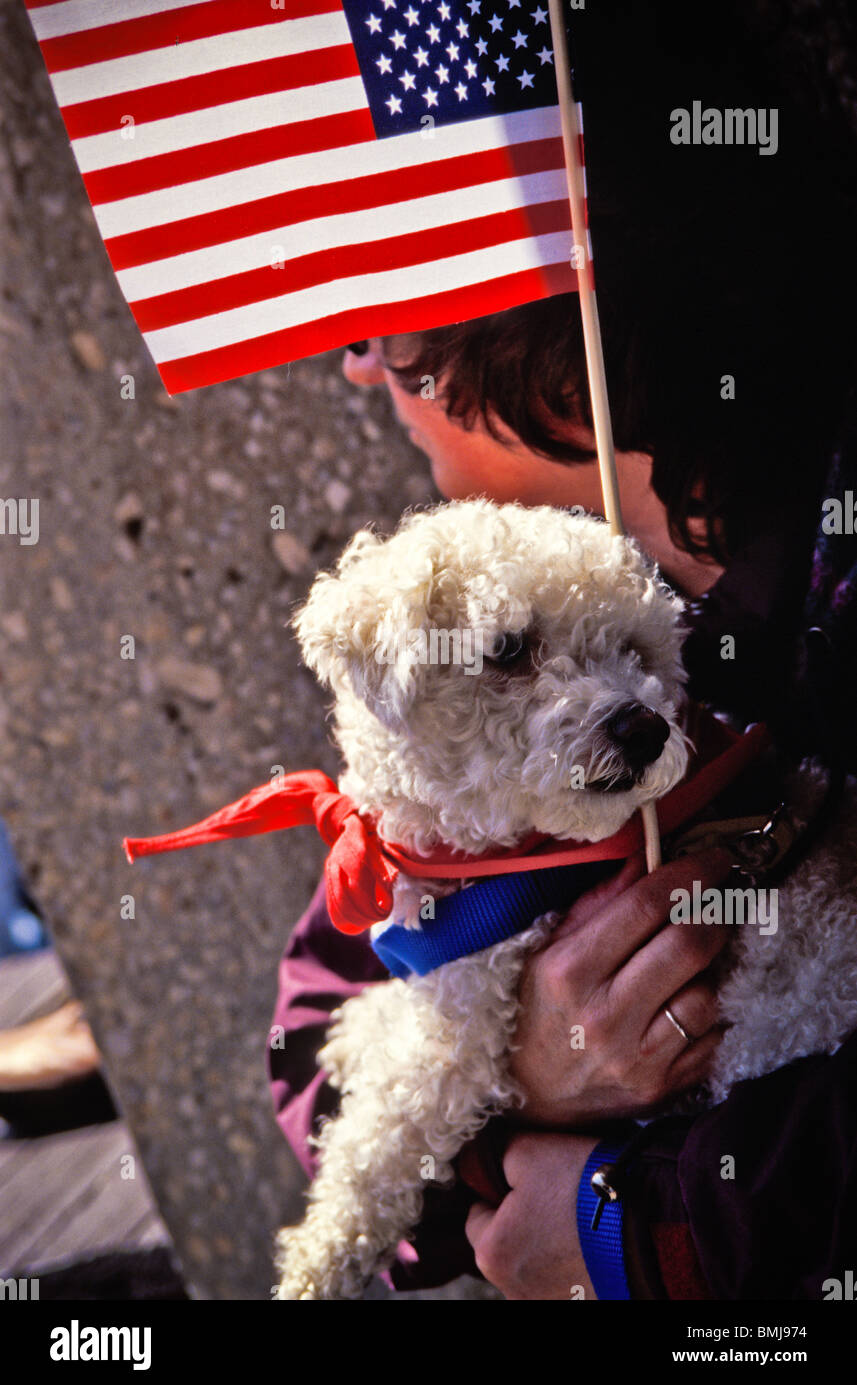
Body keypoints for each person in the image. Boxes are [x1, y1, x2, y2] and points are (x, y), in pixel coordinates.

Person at [269, 1, 857, 1298]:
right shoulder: (477, 632)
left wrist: (636, 1229)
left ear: (549, 289)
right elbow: (311, 1037)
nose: (362, 376)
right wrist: (508, 1078)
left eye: (372, 328)